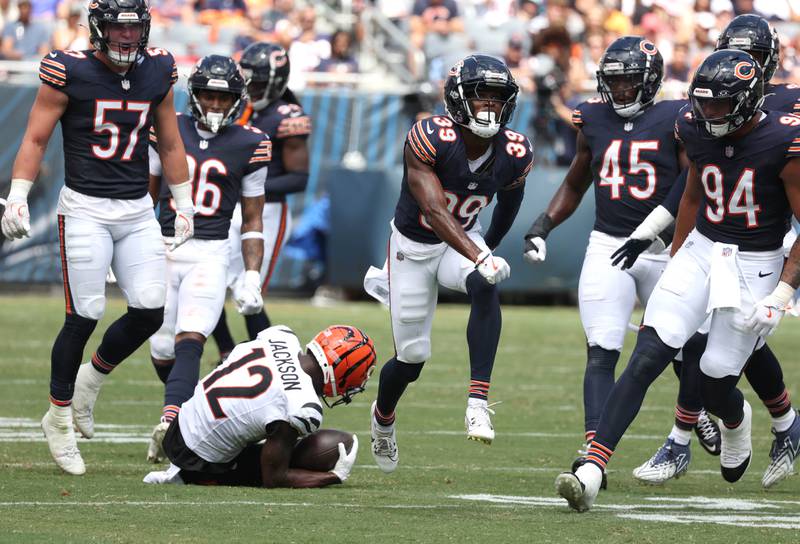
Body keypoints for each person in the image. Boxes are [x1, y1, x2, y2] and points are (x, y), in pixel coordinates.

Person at [556, 49, 800, 512]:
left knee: (713, 380)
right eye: (703, 103)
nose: (709, 114)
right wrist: (677, 254)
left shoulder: (784, 143)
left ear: (748, 102)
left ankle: (735, 417)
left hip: (756, 262)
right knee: (649, 352)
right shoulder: (692, 125)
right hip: (702, 248)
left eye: (719, 105)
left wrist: (783, 292)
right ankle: (592, 467)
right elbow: (690, 193)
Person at [0, 0, 192, 476]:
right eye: (117, 28)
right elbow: (36, 138)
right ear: (97, 28)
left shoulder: (159, 70)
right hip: (84, 209)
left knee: (150, 309)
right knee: (83, 314)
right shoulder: (69, 69)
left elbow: (169, 141)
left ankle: (90, 380)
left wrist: (184, 202)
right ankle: (59, 416)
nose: (127, 38)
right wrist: (18, 195)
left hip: (135, 210)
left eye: (134, 28)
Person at [614, 15, 800, 489]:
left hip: (770, 241)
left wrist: (783, 287)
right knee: (690, 337)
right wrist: (658, 232)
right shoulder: (704, 110)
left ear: (769, 62)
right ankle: (685, 438)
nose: (743, 66)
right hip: (711, 238)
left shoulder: (788, 113)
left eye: (754, 59)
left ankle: (779, 424)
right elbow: (695, 180)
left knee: (733, 347)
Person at [522, 36, 719, 468]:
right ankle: (594, 452)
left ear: (650, 81)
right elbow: (577, 181)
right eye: (614, 82)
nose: (620, 91)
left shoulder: (677, 117)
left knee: (686, 350)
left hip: (669, 249)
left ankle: (694, 411)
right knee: (602, 347)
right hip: (610, 245)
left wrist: (653, 232)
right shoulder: (592, 117)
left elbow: (691, 185)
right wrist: (544, 224)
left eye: (629, 82)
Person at [363, 55, 531, 473]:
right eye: (481, 97)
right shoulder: (430, 136)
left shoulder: (514, 150)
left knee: (485, 284)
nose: (490, 106)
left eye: (497, 98)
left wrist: (485, 249)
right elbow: (436, 212)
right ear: (458, 100)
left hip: (461, 241)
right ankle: (383, 418)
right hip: (413, 248)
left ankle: (477, 401)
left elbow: (511, 203)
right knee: (412, 359)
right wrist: (480, 254)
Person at [145, 55, 270, 462]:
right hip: (163, 246)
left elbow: (252, 218)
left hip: (212, 250)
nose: (215, 104)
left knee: (192, 338)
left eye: (223, 97)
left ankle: (172, 423)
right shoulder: (168, 126)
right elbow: (146, 195)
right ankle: (187, 412)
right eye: (208, 95)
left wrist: (252, 274)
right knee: (161, 347)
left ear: (237, 99)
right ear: (194, 93)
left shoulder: (252, 142)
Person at [142, 324, 376, 488]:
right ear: (344, 373)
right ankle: (190, 477)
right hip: (198, 461)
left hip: (181, 424)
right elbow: (274, 479)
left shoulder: (280, 336)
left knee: (269, 422)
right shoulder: (303, 405)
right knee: (335, 445)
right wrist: (334, 476)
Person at [210, 42, 310, 360]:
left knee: (248, 294)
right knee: (206, 281)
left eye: (256, 80)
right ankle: (227, 351)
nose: (249, 86)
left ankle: (278, 361)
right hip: (230, 208)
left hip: (267, 211)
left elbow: (298, 178)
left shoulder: (286, 115)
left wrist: (246, 186)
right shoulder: (239, 106)